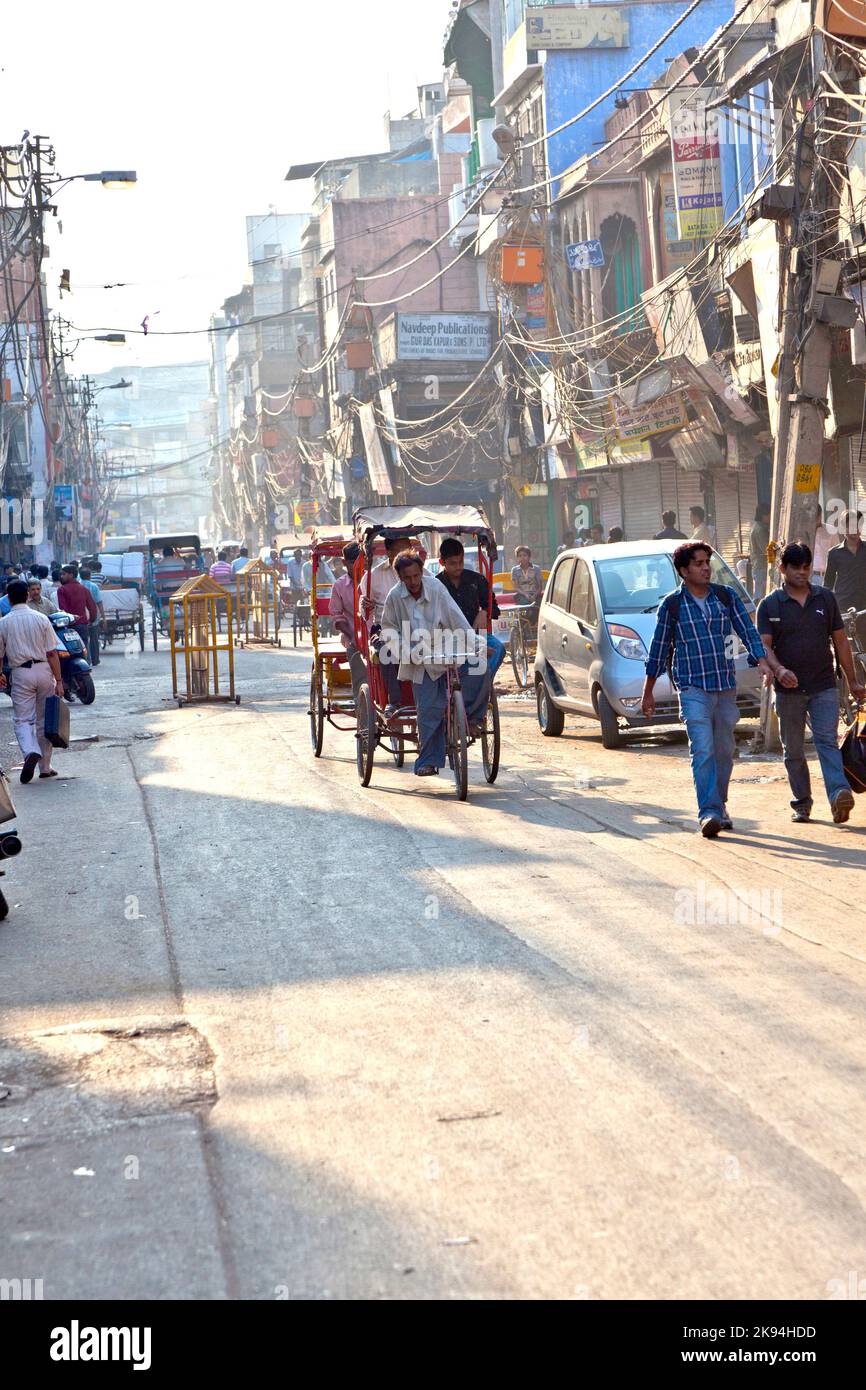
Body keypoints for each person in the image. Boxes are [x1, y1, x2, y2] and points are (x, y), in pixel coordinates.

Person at [641, 542, 773, 837]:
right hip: (692, 688)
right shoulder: (672, 605)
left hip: (725, 686)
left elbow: (747, 630)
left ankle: (720, 803)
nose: (705, 568)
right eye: (698, 563)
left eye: (706, 562)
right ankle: (709, 812)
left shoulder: (725, 597)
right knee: (702, 749)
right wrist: (648, 691)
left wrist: (762, 661)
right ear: (684, 571)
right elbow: (659, 649)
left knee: (724, 750)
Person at [757, 542, 861, 825]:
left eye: (806, 567)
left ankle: (839, 793)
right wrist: (778, 670)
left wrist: (853, 681)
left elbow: (840, 641)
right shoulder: (769, 605)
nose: (802, 573)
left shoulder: (825, 599)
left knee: (827, 740)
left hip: (824, 685)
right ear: (783, 569)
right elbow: (764, 646)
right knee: (793, 749)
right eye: (796, 568)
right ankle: (802, 803)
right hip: (788, 690)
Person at [380, 550, 485, 777]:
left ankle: (469, 717)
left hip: (445, 648)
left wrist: (474, 642)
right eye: (407, 578)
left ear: (422, 572)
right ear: (399, 577)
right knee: (428, 709)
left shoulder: (435, 588)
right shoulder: (394, 597)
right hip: (417, 657)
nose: (413, 582)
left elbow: (454, 616)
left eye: (416, 576)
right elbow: (388, 629)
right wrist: (405, 652)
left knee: (480, 665)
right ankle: (428, 760)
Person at [436, 538, 504, 736]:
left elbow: (494, 609)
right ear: (443, 563)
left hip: (477, 636)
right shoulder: (435, 584)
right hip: (448, 639)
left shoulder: (477, 580)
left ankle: (478, 690)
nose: (458, 567)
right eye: (452, 563)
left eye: (460, 562)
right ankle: (473, 688)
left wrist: (484, 611)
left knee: (498, 649)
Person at [0, 579, 65, 782]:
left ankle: (30, 751)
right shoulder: (41, 619)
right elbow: (52, 653)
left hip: (21, 673)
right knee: (45, 719)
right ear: (28, 595)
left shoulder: (4, 622)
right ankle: (45, 766)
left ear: (9, 599)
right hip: (44, 669)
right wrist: (59, 680)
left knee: (23, 719)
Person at [329, 541, 366, 699]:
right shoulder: (339, 586)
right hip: (353, 638)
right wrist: (353, 636)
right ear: (344, 563)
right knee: (360, 679)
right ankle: (362, 714)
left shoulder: (374, 579)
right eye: (353, 563)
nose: (358, 566)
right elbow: (337, 615)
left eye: (361, 562)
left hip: (380, 636)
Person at [824, 509, 866, 650]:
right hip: (844, 607)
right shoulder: (834, 553)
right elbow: (828, 584)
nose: (855, 530)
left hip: (864, 606)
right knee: (848, 648)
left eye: (858, 525)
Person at [56, 565, 98, 653]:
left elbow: (63, 610)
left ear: (71, 575)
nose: (61, 576)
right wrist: (91, 620)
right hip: (82, 625)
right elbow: (92, 608)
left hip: (68, 627)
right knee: (84, 649)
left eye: (64, 574)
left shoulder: (62, 590)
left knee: (71, 651)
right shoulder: (84, 589)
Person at [79, 566, 104, 667]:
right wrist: (103, 616)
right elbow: (99, 602)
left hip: (81, 617)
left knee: (83, 640)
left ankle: (86, 659)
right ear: (90, 576)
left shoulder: (78, 585)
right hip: (93, 616)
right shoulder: (94, 586)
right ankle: (95, 659)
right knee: (94, 639)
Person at [749, 504, 771, 602]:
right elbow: (767, 549)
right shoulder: (760, 529)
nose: (771, 517)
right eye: (769, 515)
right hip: (761, 568)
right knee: (760, 598)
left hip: (759, 568)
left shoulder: (758, 527)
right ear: (763, 515)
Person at [812, 505, 834, 582]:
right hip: (808, 576)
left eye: (817, 516)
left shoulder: (831, 530)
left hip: (826, 577)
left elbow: (837, 553)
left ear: (820, 515)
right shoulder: (802, 532)